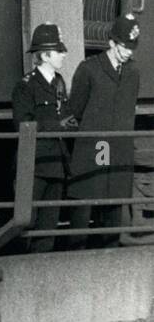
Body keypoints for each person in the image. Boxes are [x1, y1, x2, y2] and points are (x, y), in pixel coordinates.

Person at [66, 15, 141, 249]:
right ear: (111, 42)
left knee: (113, 207)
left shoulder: (132, 73)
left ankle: (107, 260)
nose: (128, 52)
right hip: (95, 147)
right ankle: (75, 257)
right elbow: (74, 112)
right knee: (86, 202)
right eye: (124, 46)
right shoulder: (89, 69)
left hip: (118, 149)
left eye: (132, 47)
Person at [10, 24, 76, 254]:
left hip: (56, 164)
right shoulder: (25, 86)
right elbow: (23, 124)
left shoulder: (59, 82)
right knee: (25, 224)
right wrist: (59, 125)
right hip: (34, 165)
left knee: (48, 228)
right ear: (46, 55)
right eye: (59, 52)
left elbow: (68, 117)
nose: (64, 55)